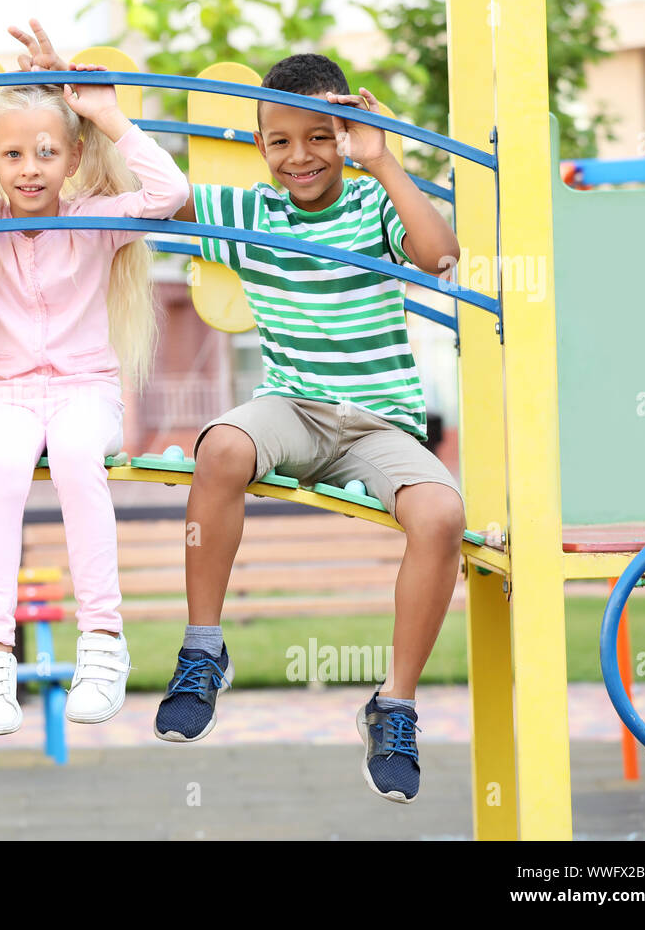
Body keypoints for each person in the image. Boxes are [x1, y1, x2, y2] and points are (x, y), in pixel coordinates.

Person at [157, 53, 465, 806]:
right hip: (290, 408)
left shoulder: (374, 205)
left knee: (443, 512)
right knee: (222, 446)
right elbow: (149, 195)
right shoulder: (250, 215)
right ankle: (204, 651)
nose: (301, 157)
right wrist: (90, 103)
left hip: (377, 423)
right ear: (260, 145)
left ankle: (393, 705)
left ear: (347, 132)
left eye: (322, 138)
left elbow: (442, 255)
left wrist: (384, 160)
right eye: (281, 141)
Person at [0, 61, 189, 735]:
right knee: (5, 470)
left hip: (85, 392)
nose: (30, 168)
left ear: (73, 156)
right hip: (9, 396)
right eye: (13, 154)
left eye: (47, 152)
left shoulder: (98, 220)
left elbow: (168, 190)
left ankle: (103, 642)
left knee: (78, 458)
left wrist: (108, 118)